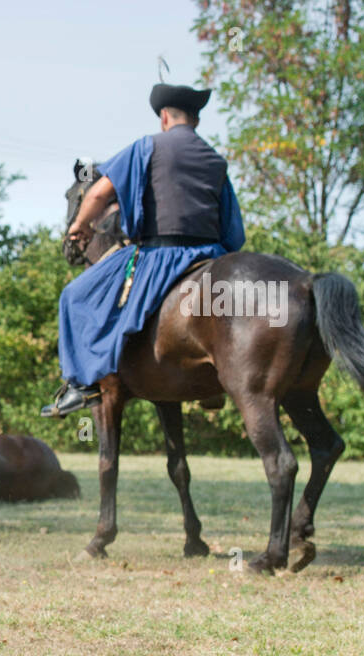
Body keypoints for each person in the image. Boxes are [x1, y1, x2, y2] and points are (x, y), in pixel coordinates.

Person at [41, 82, 246, 418]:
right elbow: (233, 230)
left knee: (74, 296)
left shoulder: (145, 147)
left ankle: (80, 386)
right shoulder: (215, 160)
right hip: (213, 254)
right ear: (195, 120)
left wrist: (81, 226)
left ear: (164, 117)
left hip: (159, 255)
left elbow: (97, 195)